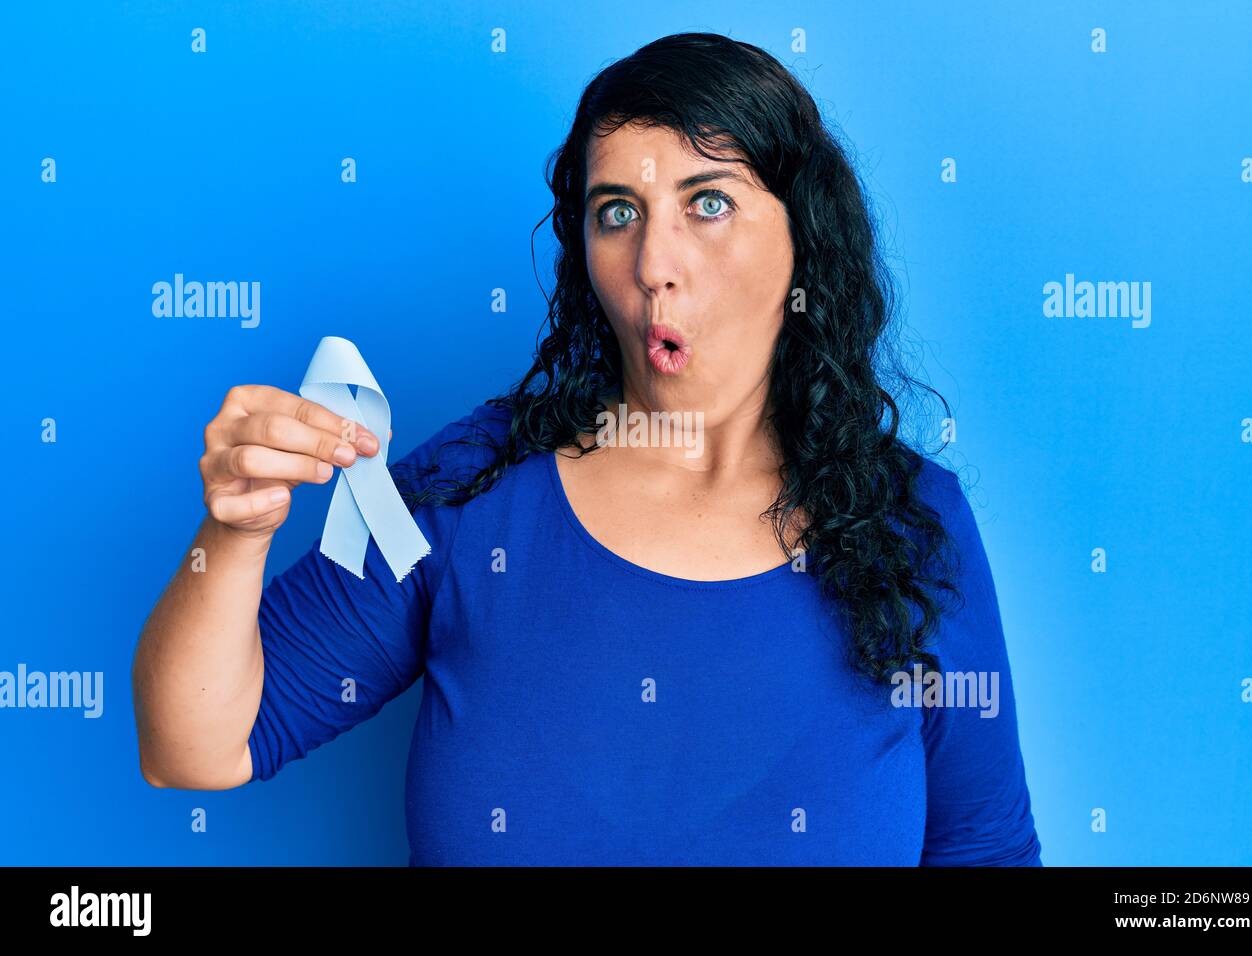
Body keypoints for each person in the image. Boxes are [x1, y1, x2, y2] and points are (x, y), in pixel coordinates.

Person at [132, 32, 1043, 866]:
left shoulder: (913, 525)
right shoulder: (471, 487)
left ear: (803, 239)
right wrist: (236, 533)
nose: (654, 264)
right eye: (618, 212)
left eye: (709, 203)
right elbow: (194, 745)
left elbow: (986, 850)